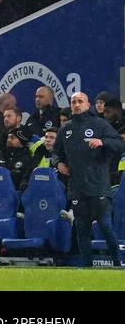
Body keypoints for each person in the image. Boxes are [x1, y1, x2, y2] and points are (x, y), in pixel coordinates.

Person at [54, 91, 124, 267]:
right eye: (73, 102)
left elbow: (119, 144)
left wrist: (102, 142)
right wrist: (58, 164)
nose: (76, 105)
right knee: (81, 228)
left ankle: (117, 262)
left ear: (87, 105)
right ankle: (87, 266)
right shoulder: (65, 129)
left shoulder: (99, 124)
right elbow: (56, 153)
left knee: (105, 225)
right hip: (77, 187)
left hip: (98, 185)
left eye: (80, 101)